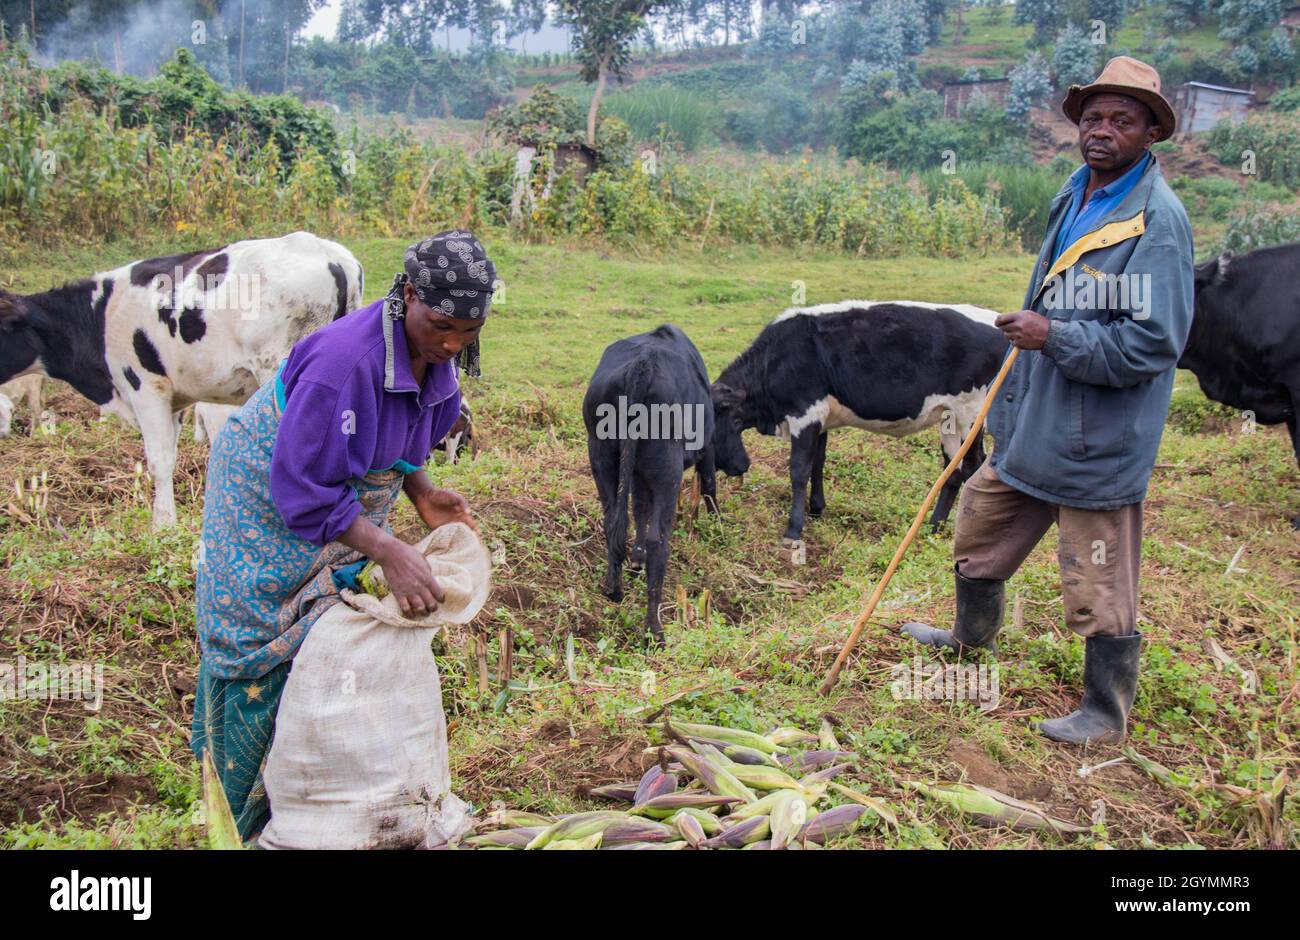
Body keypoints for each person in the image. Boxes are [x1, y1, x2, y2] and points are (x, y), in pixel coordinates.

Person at [900, 58, 1195, 745]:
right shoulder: (1076, 192)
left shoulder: (1159, 224)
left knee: (1098, 576)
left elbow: (1153, 346)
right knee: (977, 526)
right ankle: (971, 640)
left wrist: (1052, 336)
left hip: (1099, 437)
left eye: (1123, 120)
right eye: (1093, 117)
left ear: (1151, 131)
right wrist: (1044, 343)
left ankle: (1104, 710)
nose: (1103, 131)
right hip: (1037, 417)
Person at [191, 231, 495, 841]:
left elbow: (410, 425)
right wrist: (387, 548)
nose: (454, 343)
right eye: (441, 325)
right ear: (409, 295)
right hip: (265, 494)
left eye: (469, 330)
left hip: (337, 491)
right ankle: (242, 815)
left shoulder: (436, 359)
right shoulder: (342, 367)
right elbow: (299, 490)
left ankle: (316, 796)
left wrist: (422, 492)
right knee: (260, 631)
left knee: (324, 624)